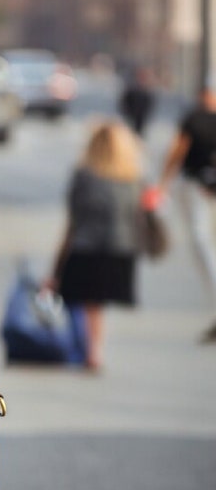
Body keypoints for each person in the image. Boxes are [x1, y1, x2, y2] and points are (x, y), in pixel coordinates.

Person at [46, 121, 143, 371]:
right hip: (121, 249)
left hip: (87, 247)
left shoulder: (84, 175)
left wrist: (56, 268)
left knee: (86, 301)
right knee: (95, 304)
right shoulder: (132, 178)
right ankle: (91, 348)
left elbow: (74, 220)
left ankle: (90, 351)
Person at [155, 81, 216, 342]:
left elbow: (177, 150)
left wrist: (163, 184)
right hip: (205, 186)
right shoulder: (195, 118)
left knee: (201, 239)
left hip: (195, 187)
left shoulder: (192, 118)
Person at [119, 66, 155, 137]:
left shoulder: (147, 91)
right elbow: (125, 102)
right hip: (131, 117)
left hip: (141, 118)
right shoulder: (131, 90)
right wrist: (128, 112)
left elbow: (149, 104)